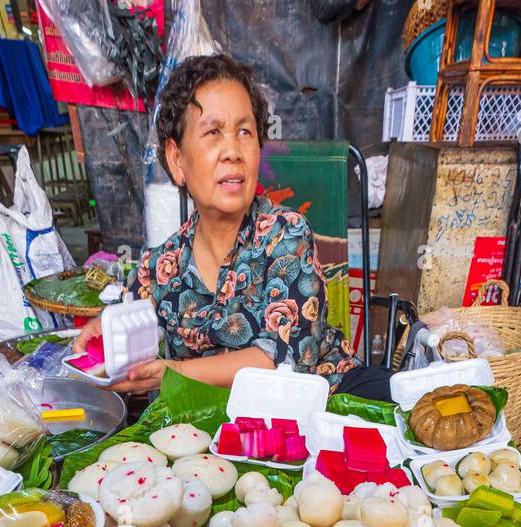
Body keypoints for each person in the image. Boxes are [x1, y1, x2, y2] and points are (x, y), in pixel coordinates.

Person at [73, 53, 388, 399]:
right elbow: (128, 328)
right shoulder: (159, 268)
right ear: (177, 160)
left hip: (326, 403)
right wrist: (103, 334)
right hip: (225, 431)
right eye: (212, 132)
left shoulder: (286, 235)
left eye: (244, 132)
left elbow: (283, 359)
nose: (232, 151)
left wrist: (174, 373)